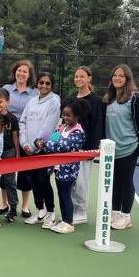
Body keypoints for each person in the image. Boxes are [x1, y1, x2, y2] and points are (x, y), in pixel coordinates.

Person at [102, 64, 139, 231]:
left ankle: (126, 216)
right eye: (115, 75)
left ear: (127, 79)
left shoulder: (135, 99)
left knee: (125, 181)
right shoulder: (108, 99)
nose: (117, 78)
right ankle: (115, 212)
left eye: (121, 76)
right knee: (115, 182)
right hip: (111, 150)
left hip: (128, 148)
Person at [33, 99, 87, 234]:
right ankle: (64, 220)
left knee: (65, 194)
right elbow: (53, 140)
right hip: (58, 168)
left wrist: (45, 145)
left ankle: (69, 223)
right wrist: (41, 142)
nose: (65, 118)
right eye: (64, 114)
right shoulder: (62, 127)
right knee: (61, 193)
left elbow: (64, 146)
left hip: (69, 170)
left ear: (76, 116)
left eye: (69, 115)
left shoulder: (78, 132)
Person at [19, 72, 61, 228]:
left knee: (43, 181)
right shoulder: (32, 101)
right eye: (41, 83)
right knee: (33, 181)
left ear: (51, 85)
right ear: (37, 84)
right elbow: (22, 122)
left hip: (42, 150)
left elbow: (49, 126)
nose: (44, 86)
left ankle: (50, 213)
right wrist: (25, 144)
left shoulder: (55, 101)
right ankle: (39, 210)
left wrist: (36, 145)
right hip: (27, 149)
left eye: (47, 83)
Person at [2, 59, 38, 218]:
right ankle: (4, 204)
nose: (21, 73)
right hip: (5, 136)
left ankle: (24, 206)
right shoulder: (6, 89)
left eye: (25, 71)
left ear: (29, 75)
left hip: (26, 136)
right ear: (15, 72)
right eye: (19, 70)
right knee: (3, 171)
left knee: (25, 172)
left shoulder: (35, 93)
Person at [70, 66, 105, 225]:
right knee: (70, 180)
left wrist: (91, 148)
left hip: (85, 149)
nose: (78, 79)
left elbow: (98, 125)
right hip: (69, 148)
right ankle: (70, 209)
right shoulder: (71, 98)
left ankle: (81, 210)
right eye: (76, 77)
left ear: (89, 78)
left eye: (82, 76)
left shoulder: (96, 101)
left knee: (81, 181)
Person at [0, 89, 22, 223]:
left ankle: (13, 209)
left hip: (9, 153)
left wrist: (17, 155)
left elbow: (15, 137)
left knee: (10, 182)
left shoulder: (12, 118)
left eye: (0, 101)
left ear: (7, 102)